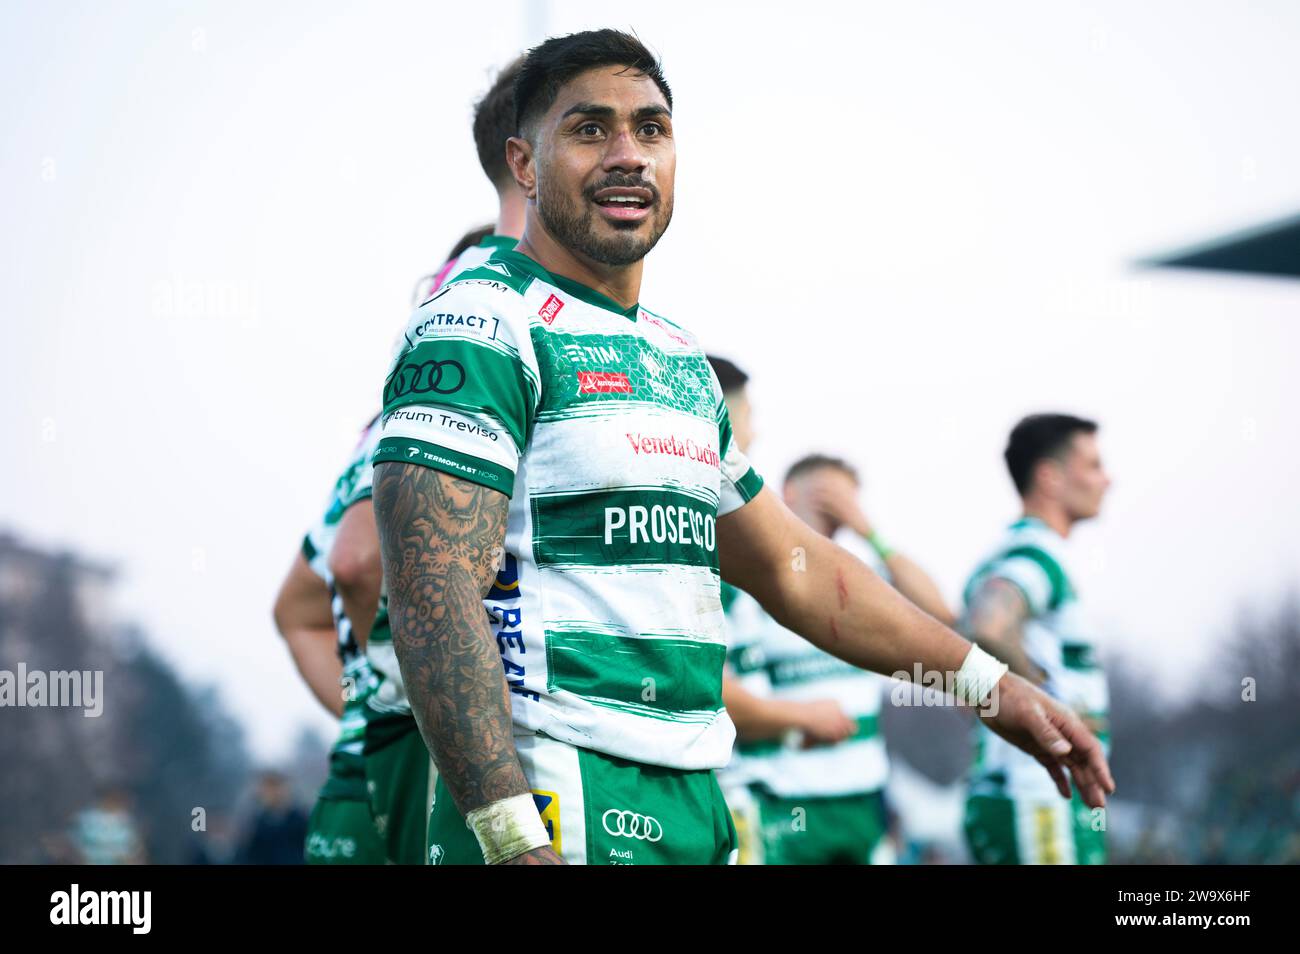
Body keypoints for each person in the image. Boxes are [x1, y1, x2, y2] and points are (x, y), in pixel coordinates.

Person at [370, 29, 1114, 867]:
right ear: (525, 164)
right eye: (590, 129)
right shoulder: (481, 319)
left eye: (651, 130)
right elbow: (432, 590)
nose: (628, 155)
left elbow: (793, 569)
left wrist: (986, 685)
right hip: (561, 804)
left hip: (698, 800)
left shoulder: (676, 356)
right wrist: (509, 838)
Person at [273, 57, 528, 865]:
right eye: (590, 121)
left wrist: (367, 706)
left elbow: (299, 605)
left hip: (384, 767)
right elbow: (354, 562)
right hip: (451, 773)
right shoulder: (489, 305)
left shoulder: (419, 369)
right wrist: (414, 701)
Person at [961, 413, 1112, 864]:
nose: (1107, 479)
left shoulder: (999, 553)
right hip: (1037, 799)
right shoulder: (1037, 554)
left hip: (1013, 792)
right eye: (1093, 465)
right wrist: (1051, 701)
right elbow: (988, 626)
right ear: (1048, 476)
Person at [238, 771, 309, 865]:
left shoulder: (299, 820)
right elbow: (248, 856)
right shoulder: (257, 824)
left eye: (275, 788)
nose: (270, 794)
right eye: (266, 789)